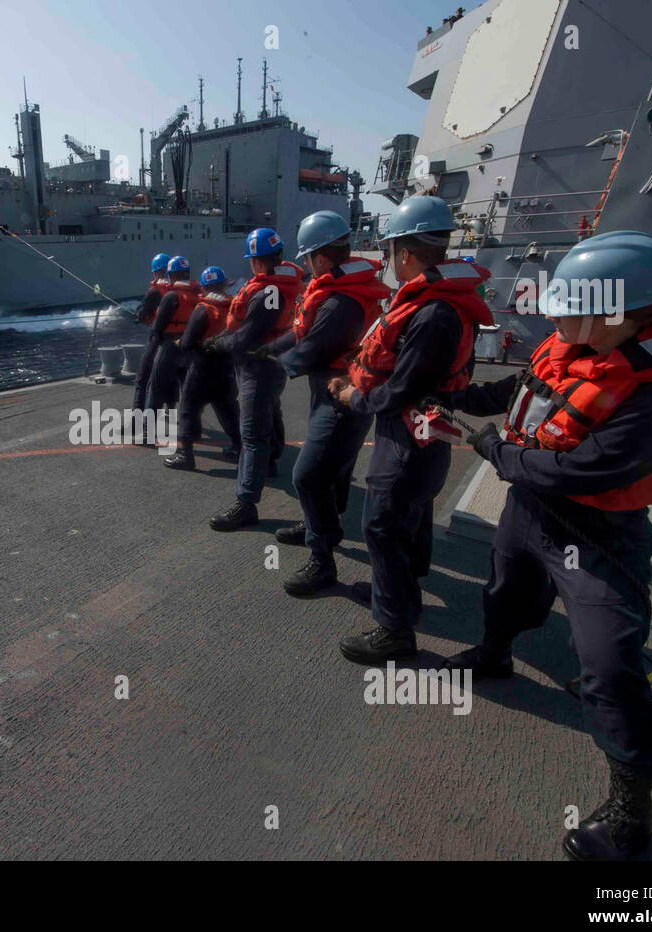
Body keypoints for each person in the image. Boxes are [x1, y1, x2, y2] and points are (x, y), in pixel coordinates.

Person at [440, 231, 652, 860]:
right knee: (506, 592)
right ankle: (495, 652)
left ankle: (630, 805)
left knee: (609, 664)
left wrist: (489, 447)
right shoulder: (578, 344)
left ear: (615, 312)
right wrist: (456, 399)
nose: (554, 317)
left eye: (567, 306)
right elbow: (527, 389)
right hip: (528, 511)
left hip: (598, 533)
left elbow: (577, 470)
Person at [329, 195, 491, 660]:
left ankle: (394, 630)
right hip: (427, 435)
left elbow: (401, 389)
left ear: (404, 253)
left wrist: (353, 396)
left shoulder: (432, 314)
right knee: (412, 518)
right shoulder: (448, 305)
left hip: (406, 438)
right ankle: (402, 593)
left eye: (390, 250)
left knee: (382, 525)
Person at [273, 211, 391, 596]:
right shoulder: (343, 293)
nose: (307, 266)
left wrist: (269, 359)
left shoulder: (341, 303)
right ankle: (317, 525)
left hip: (343, 395)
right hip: (333, 387)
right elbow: (309, 340)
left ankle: (322, 558)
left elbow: (313, 348)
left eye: (308, 258)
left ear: (321, 258)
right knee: (335, 469)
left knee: (307, 475)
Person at [207, 228, 305, 530]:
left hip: (257, 366)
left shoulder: (269, 293)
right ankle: (272, 461)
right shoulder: (280, 287)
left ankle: (246, 503)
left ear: (257, 263)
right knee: (270, 413)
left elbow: (248, 336)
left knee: (251, 435)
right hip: (271, 364)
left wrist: (216, 344)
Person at [164, 266, 242, 470]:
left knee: (188, 411)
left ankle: (185, 456)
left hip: (201, 370)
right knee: (229, 411)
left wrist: (179, 344)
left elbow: (189, 342)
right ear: (224, 285)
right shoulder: (233, 306)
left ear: (204, 287)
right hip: (226, 369)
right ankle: (238, 448)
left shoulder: (203, 309)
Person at [147, 256, 201, 436]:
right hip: (189, 347)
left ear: (171, 276)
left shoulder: (171, 296)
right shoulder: (197, 294)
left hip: (169, 346)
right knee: (188, 391)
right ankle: (194, 430)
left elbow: (158, 326)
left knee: (155, 390)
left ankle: (146, 432)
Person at [130, 252, 172, 444]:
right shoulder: (178, 289)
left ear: (156, 273)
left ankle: (138, 425)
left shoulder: (156, 291)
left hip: (158, 341)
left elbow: (142, 313)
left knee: (143, 381)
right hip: (180, 344)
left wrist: (139, 316)